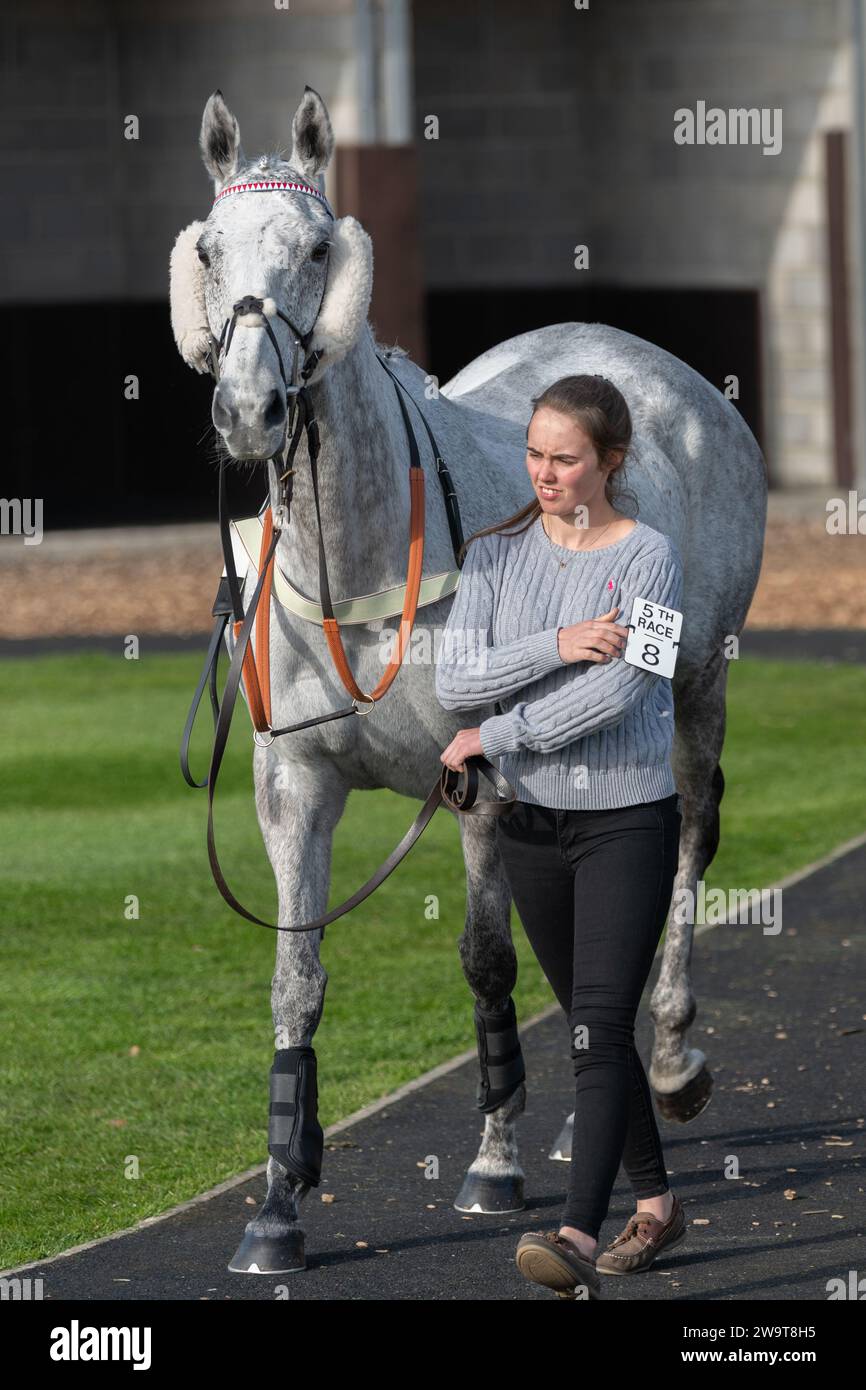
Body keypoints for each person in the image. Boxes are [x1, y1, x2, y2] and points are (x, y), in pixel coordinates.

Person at [434, 374, 686, 1301]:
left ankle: (576, 1233)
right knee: (596, 1031)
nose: (544, 472)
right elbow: (457, 680)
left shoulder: (655, 558)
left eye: (565, 458)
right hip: (530, 827)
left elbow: (625, 691)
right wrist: (560, 641)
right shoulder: (494, 555)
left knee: (598, 1031)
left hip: (627, 821)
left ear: (609, 461)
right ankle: (656, 1205)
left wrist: (496, 735)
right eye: (535, 454)